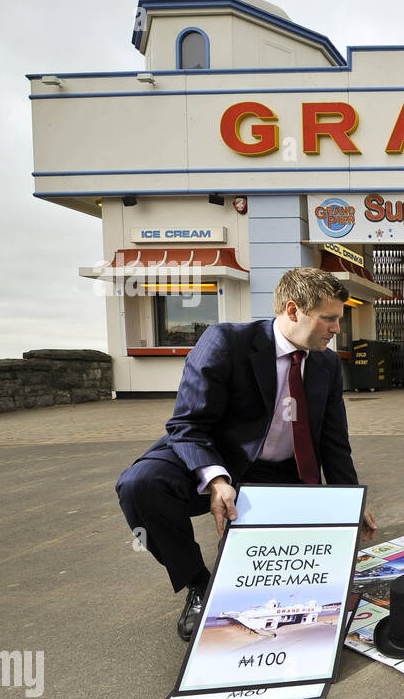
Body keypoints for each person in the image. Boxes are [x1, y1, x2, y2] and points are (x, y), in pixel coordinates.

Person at [116, 267, 378, 641]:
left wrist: (350, 498)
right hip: (213, 457)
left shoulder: (327, 363)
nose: (337, 329)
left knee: (267, 584)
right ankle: (198, 587)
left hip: (280, 473)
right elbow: (186, 424)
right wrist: (217, 478)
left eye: (340, 319)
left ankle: (232, 576)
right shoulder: (226, 342)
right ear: (293, 310)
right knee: (140, 485)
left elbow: (334, 441)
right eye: (329, 319)